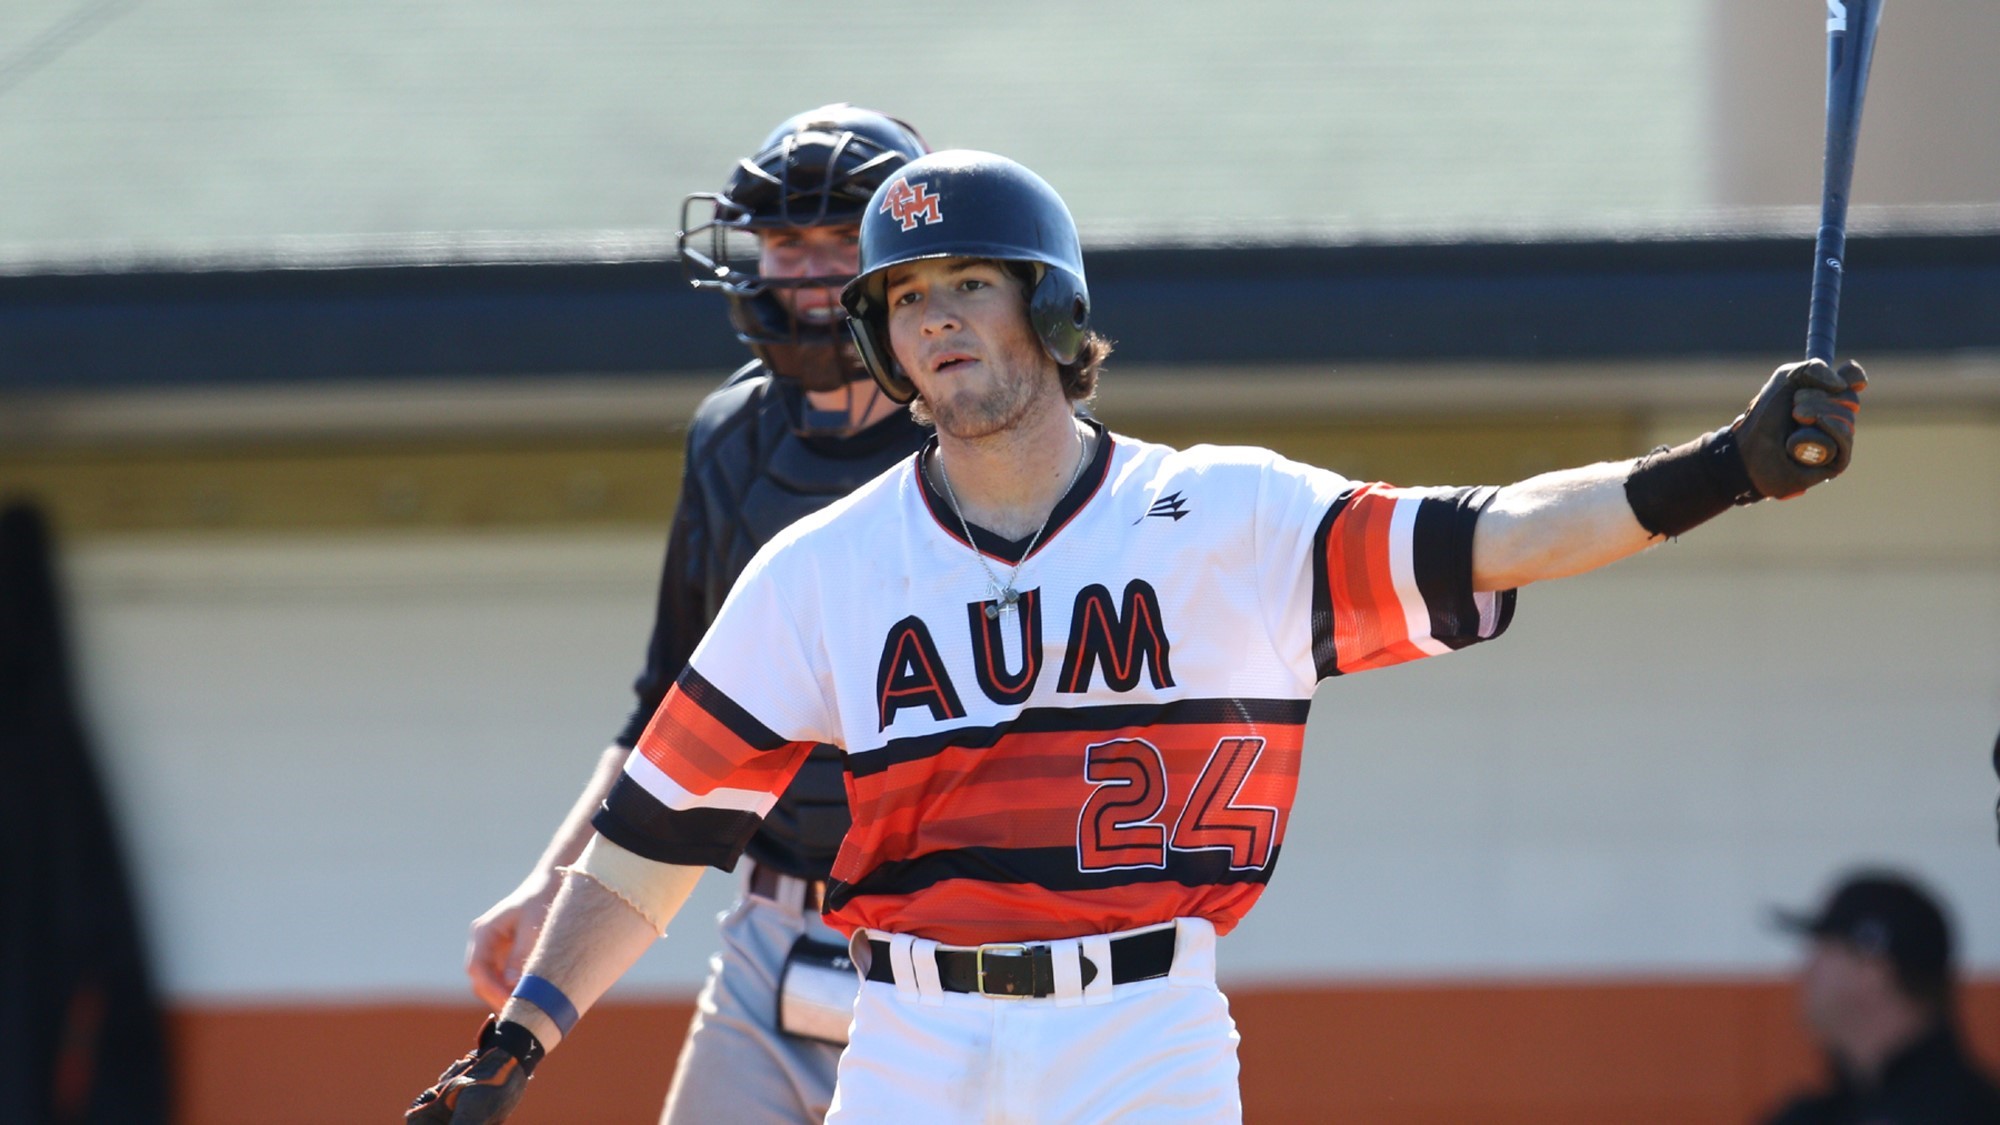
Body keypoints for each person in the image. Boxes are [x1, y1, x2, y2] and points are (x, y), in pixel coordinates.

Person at [411, 149, 1869, 1123]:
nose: (935, 322)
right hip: (907, 1037)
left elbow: (1505, 534)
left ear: (1048, 308)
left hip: (1141, 1034)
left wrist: (1729, 466)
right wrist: (522, 1037)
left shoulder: (1222, 513)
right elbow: (660, 832)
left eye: (966, 282)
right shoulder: (821, 570)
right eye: (903, 300)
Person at [455, 105, 932, 1125]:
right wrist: (552, 883)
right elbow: (668, 710)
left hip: (952, 948)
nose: (802, 272)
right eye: (781, 242)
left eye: (837, 242)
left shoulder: (987, 443)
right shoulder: (731, 438)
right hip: (768, 929)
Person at [1763, 870, 2000, 1125]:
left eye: (1822, 952)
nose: (1805, 972)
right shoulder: (1812, 1115)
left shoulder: (1971, 1114)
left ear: (1872, 972)